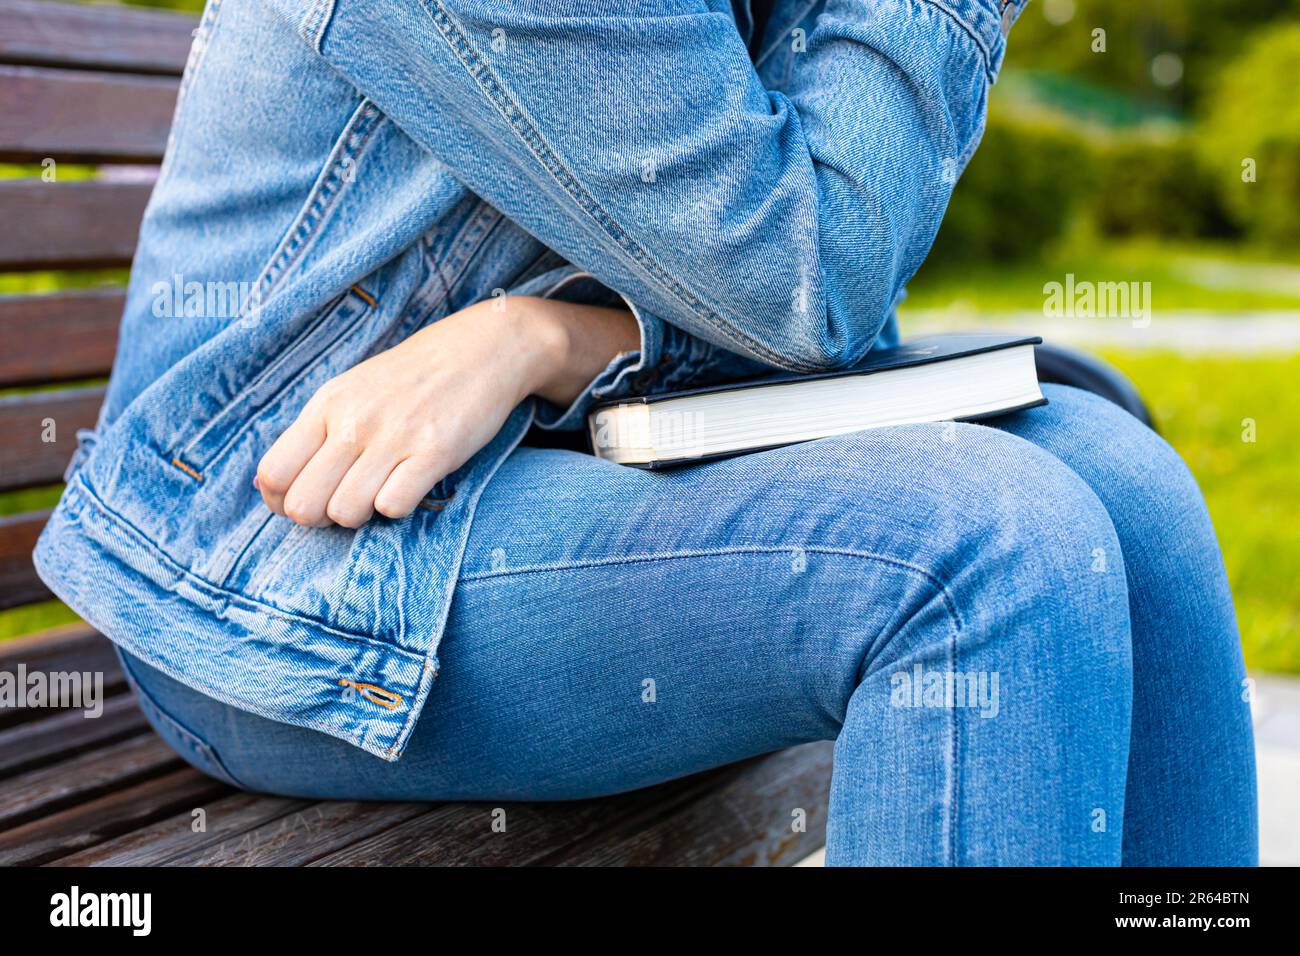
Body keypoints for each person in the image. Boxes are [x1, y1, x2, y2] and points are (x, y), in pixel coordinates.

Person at [35, 0, 1256, 865]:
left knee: (1126, 489)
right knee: (989, 552)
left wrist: (554, 336)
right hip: (284, 557)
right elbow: (808, 281)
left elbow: (805, 295)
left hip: (547, 458)